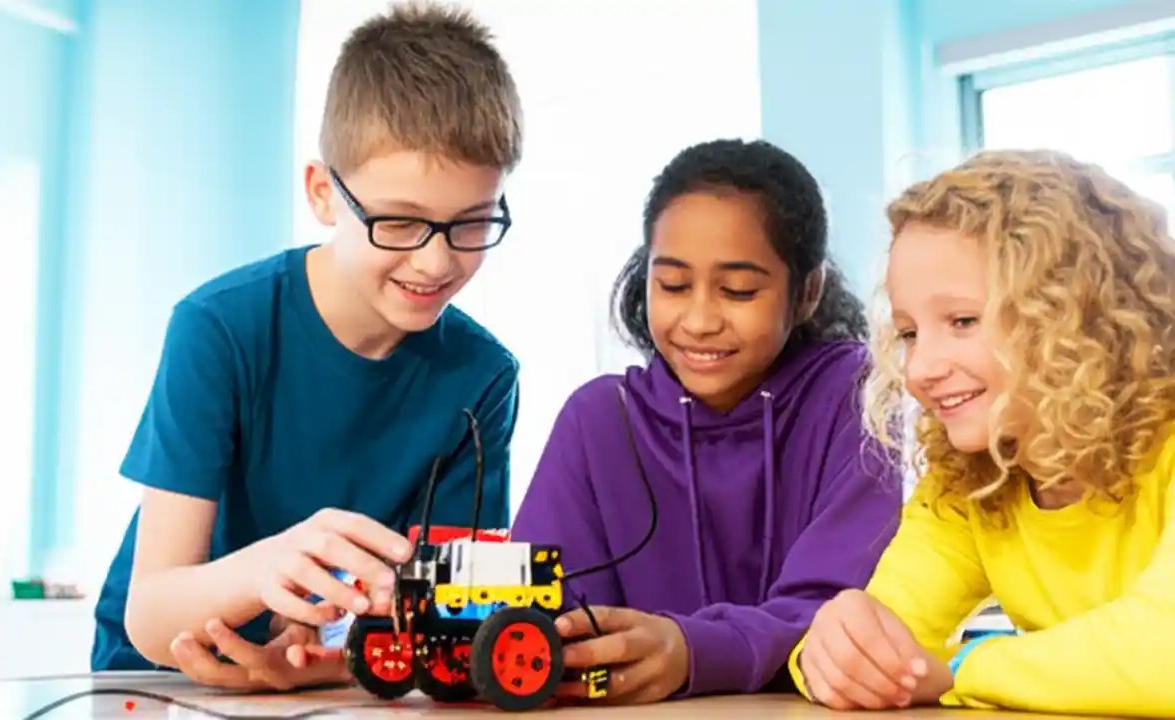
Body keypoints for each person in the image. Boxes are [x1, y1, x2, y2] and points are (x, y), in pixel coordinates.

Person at [89, 2, 524, 691]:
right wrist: (266, 571)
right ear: (323, 193)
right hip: (160, 680)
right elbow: (150, 613)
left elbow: (447, 618)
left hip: (343, 685)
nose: (437, 262)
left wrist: (328, 663)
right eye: (400, 223)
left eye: (471, 223)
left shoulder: (484, 376)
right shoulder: (218, 328)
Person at [510, 139, 904, 704]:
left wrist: (696, 650)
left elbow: (845, 611)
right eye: (672, 285)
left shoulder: (858, 397)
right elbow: (539, 612)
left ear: (806, 293)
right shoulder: (598, 420)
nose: (698, 320)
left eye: (738, 291)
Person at [791, 149, 1175, 717]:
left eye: (962, 321)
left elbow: (1163, 654)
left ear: (1080, 312)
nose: (920, 369)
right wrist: (832, 653)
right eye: (910, 333)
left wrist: (962, 668)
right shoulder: (973, 480)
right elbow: (889, 643)